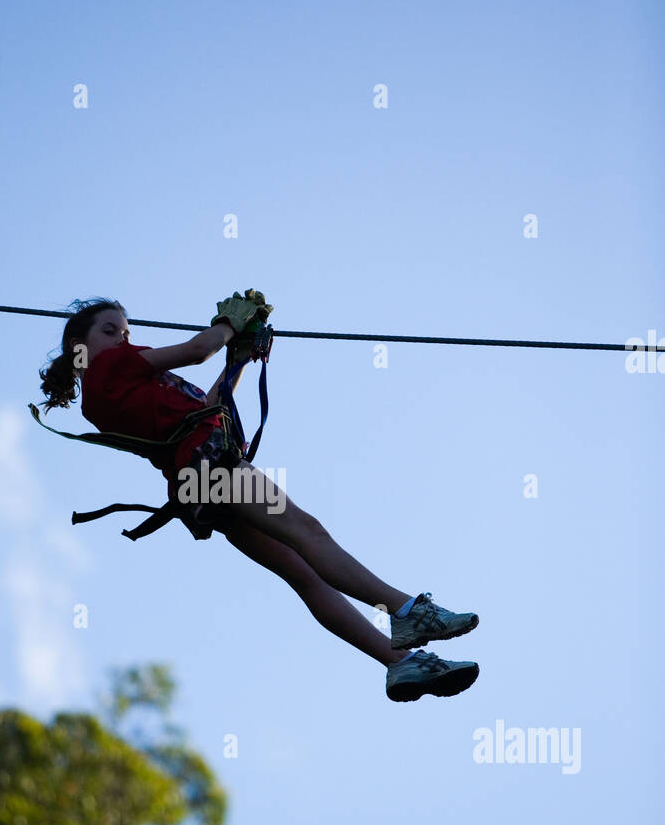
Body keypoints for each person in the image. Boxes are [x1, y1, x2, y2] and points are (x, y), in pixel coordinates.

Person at [38, 294, 480, 702]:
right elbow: (197, 349)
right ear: (79, 345)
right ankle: (405, 610)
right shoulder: (114, 367)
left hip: (195, 487)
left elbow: (210, 405)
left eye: (127, 334)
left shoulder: (109, 394)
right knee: (307, 531)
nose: (123, 340)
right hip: (213, 466)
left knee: (305, 575)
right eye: (110, 331)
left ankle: (399, 662)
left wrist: (239, 358)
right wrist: (231, 321)